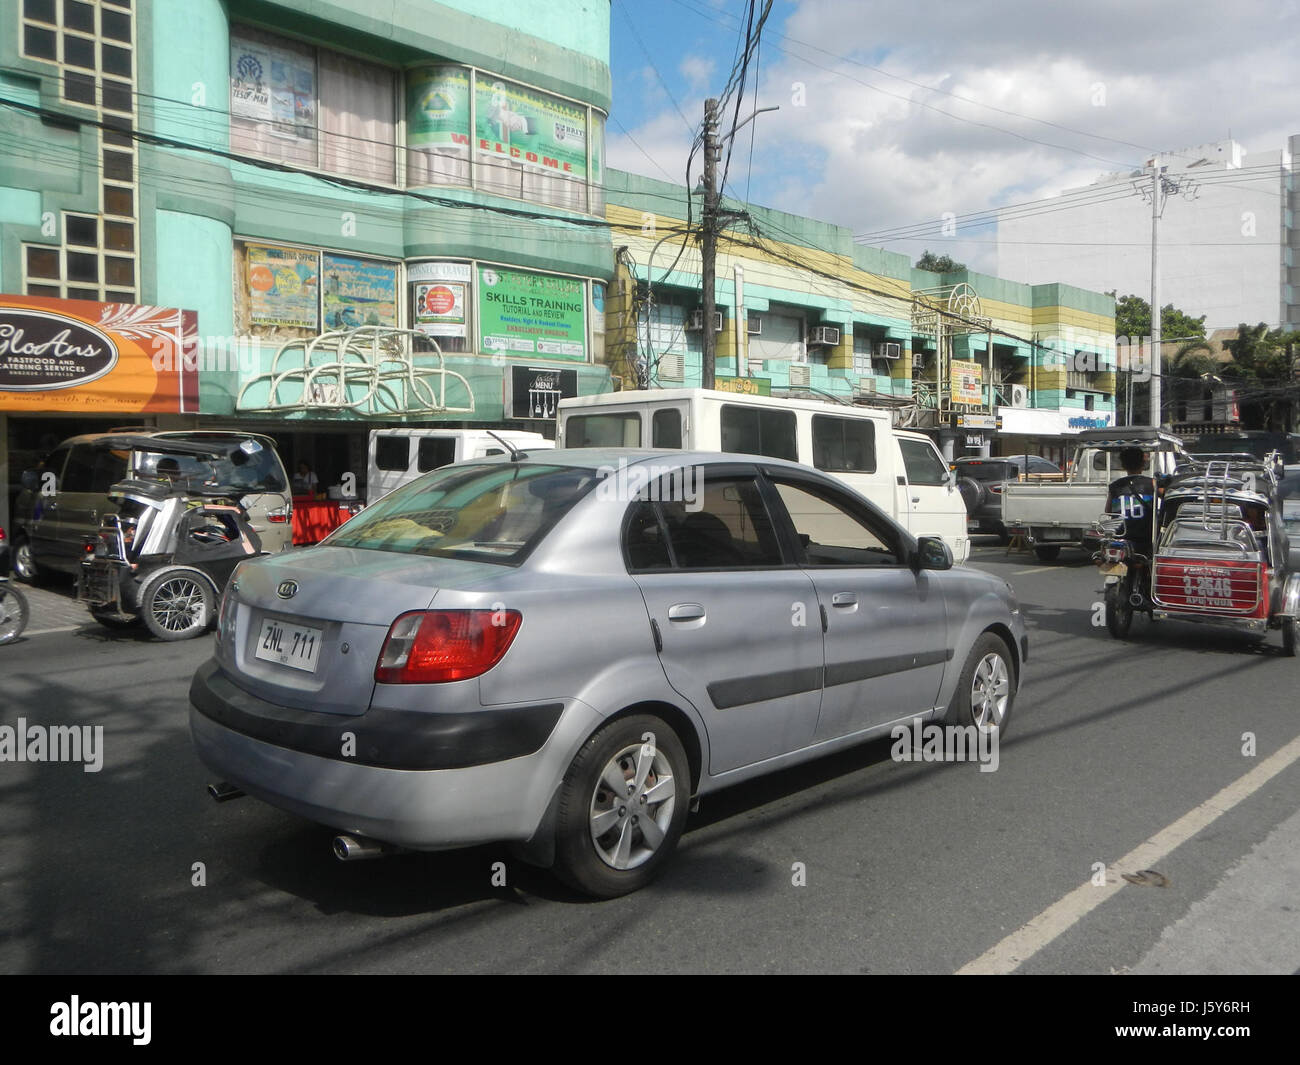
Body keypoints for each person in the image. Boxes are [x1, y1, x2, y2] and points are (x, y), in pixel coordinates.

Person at [1106, 447, 1156, 555]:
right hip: (1146, 536)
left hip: (1121, 535)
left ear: (1123, 465)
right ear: (1143, 464)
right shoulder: (1152, 483)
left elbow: (1108, 510)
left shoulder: (1114, 486)